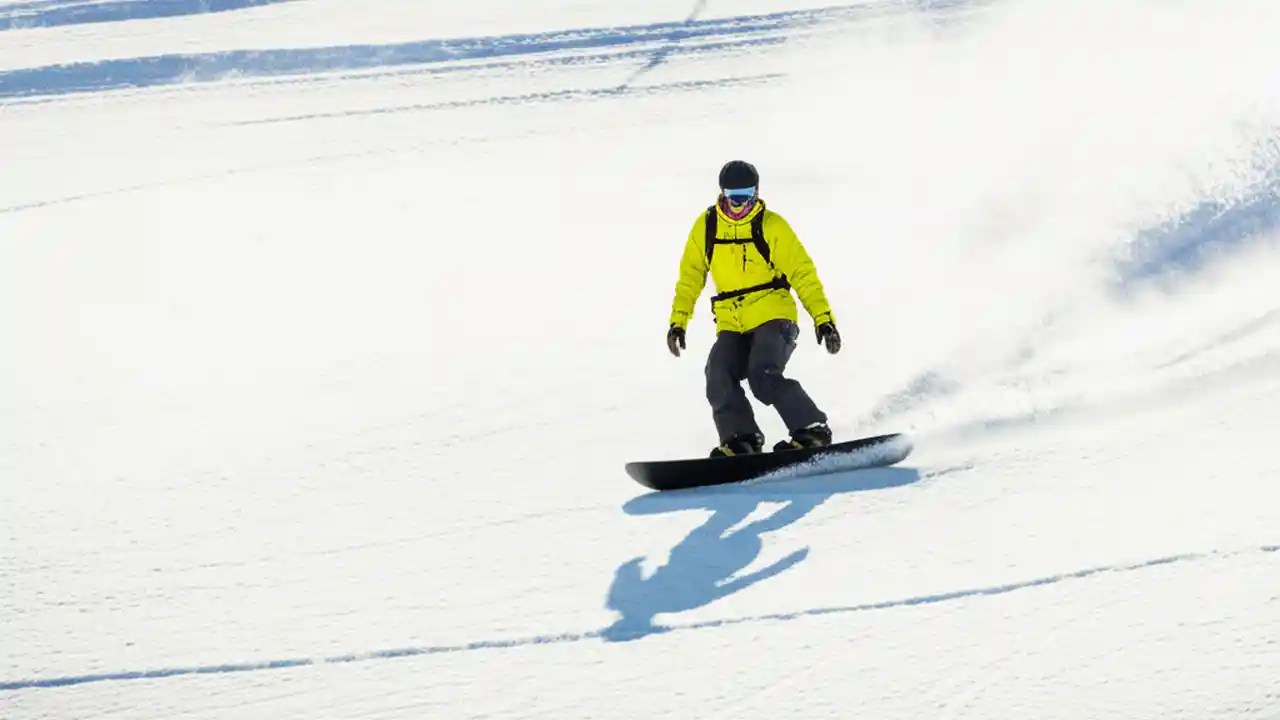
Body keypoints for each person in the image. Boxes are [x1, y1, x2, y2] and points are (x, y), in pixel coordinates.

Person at [666, 160, 842, 457]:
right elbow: (690, 277)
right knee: (718, 370)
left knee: (762, 374)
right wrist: (678, 322)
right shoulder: (707, 226)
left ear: (757, 193)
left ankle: (812, 428)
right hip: (732, 322)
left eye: (747, 196)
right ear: (722, 194)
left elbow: (803, 274)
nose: (740, 204)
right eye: (734, 197)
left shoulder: (771, 226)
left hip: (774, 315)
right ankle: (740, 439)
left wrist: (824, 319)